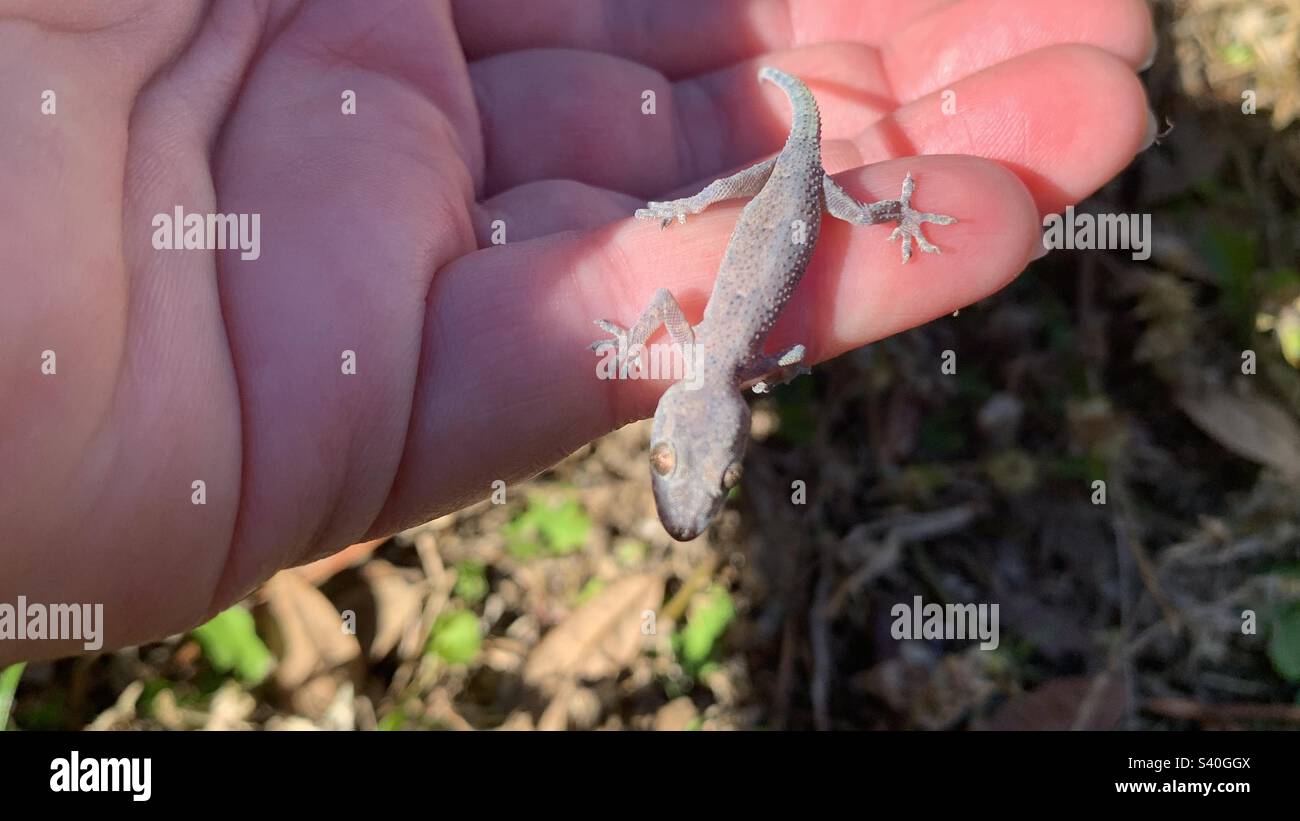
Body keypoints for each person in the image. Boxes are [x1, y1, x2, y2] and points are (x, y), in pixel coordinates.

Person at [0, 0, 1156, 662]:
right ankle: (838, 174)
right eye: (684, 457)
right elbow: (727, 339)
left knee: (817, 182)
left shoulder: (715, 348)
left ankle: (859, 185)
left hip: (803, 192)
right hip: (786, 194)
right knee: (795, 179)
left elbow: (713, 334)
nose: (680, 460)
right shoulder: (718, 349)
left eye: (676, 456)